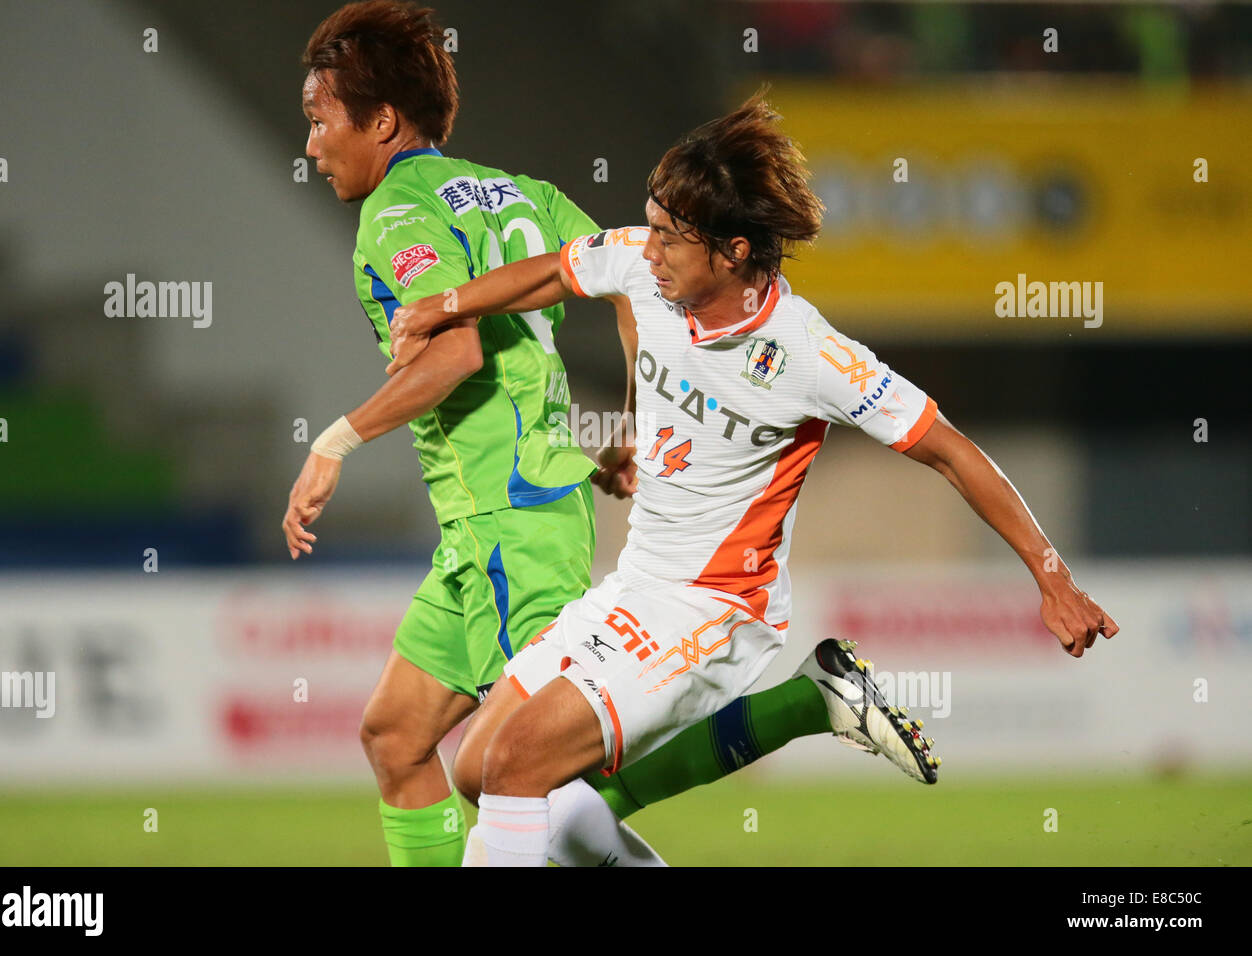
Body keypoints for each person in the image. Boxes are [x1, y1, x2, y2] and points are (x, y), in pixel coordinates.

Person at [284, 1, 945, 869]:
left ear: (381, 121)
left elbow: (454, 354)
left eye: (319, 120)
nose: (310, 144)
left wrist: (335, 440)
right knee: (398, 738)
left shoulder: (396, 216)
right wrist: (639, 419)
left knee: (541, 776)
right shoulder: (518, 191)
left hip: (509, 523)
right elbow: (637, 288)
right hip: (499, 522)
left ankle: (798, 704)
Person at [387, 94, 1119, 866]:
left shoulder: (808, 354)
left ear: (733, 252)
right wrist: (443, 304)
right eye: (652, 226)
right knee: (477, 769)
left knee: (516, 765)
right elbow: (558, 273)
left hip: (717, 611)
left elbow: (953, 451)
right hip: (638, 586)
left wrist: (1052, 575)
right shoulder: (648, 267)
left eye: (671, 237)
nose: (651, 248)